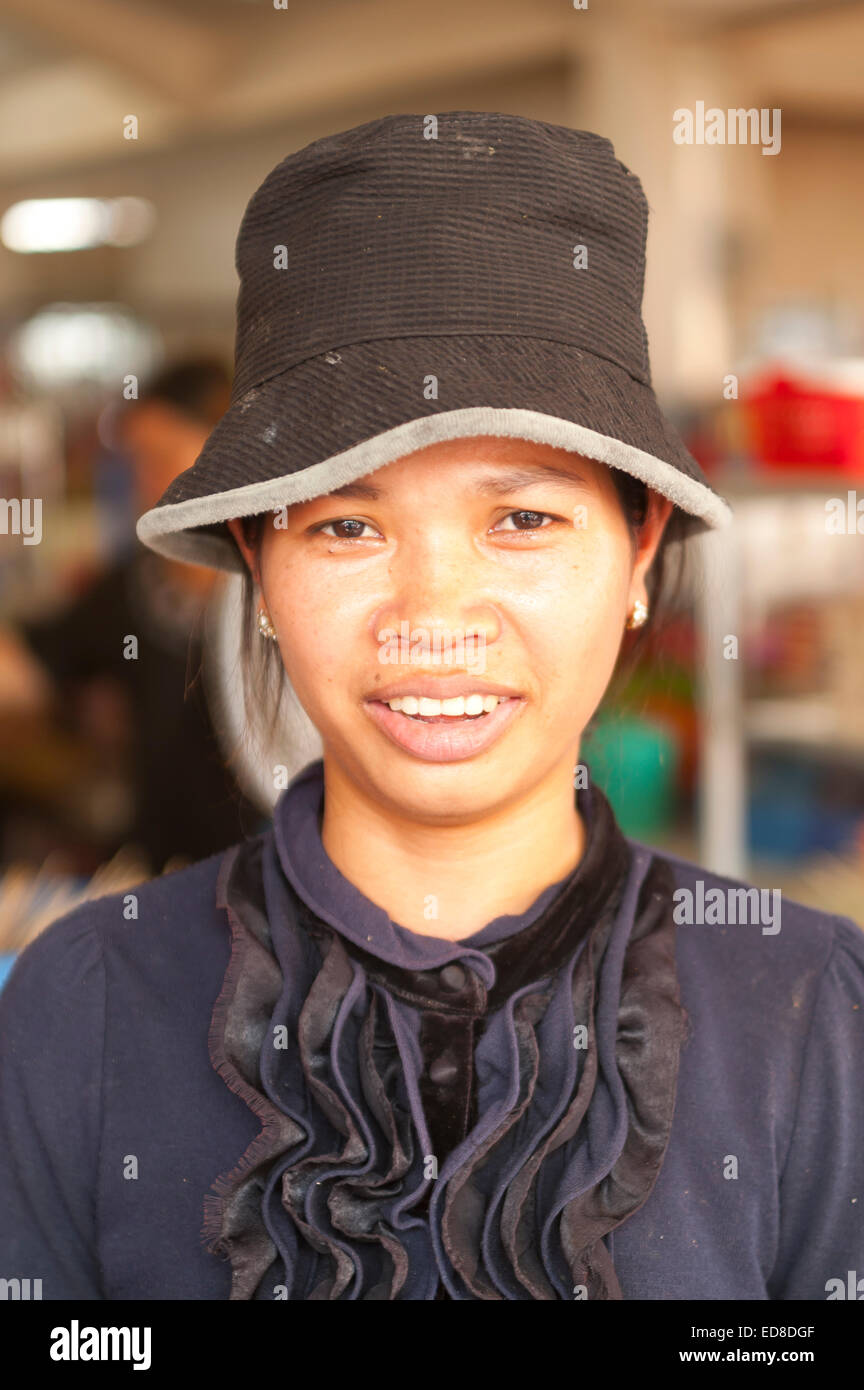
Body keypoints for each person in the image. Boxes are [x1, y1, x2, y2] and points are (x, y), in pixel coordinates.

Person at [1, 112, 862, 1302]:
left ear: (638, 548)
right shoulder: (87, 1002)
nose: (434, 610)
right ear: (258, 566)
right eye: (348, 525)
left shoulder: (813, 1013)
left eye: (525, 518)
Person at [6, 358, 263, 873]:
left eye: (163, 457)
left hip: (272, 877)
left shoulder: (282, 587)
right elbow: (32, 666)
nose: (149, 485)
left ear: (231, 449)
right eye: (139, 463)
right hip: (161, 876)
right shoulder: (134, 587)